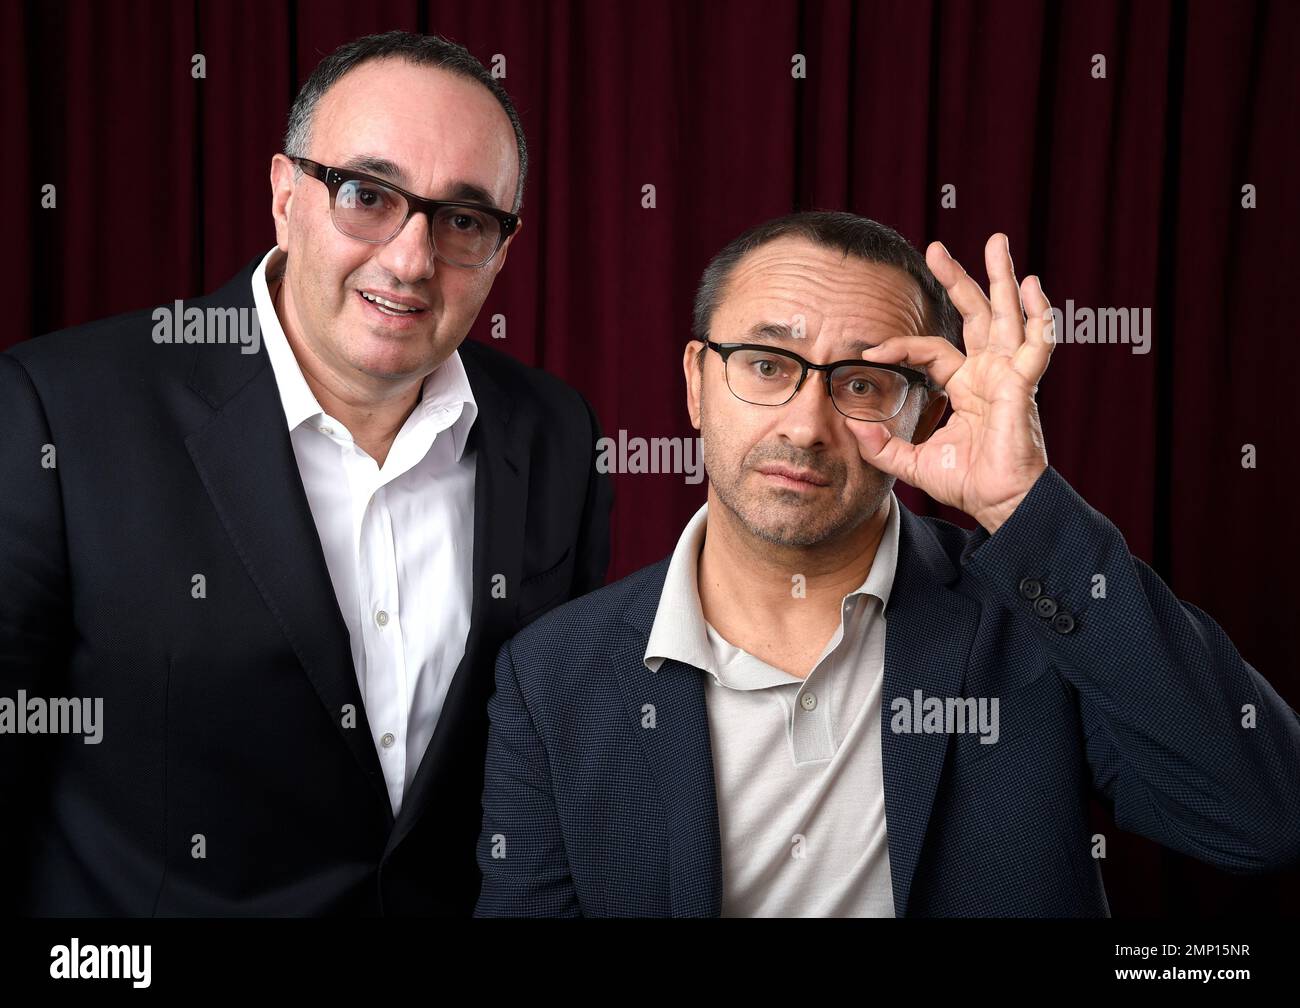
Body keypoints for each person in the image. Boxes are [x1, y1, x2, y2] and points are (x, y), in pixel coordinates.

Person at [475, 211, 1300, 917]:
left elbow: (1264, 816)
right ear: (697, 384)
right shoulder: (550, 677)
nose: (806, 425)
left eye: (863, 383)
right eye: (767, 365)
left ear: (925, 411)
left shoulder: (1032, 616)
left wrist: (1026, 511)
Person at [1, 31, 611, 916]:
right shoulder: (54, 411)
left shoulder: (559, 434)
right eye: (366, 195)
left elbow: (548, 766)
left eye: (464, 220)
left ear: (502, 251)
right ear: (286, 196)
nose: (410, 260)